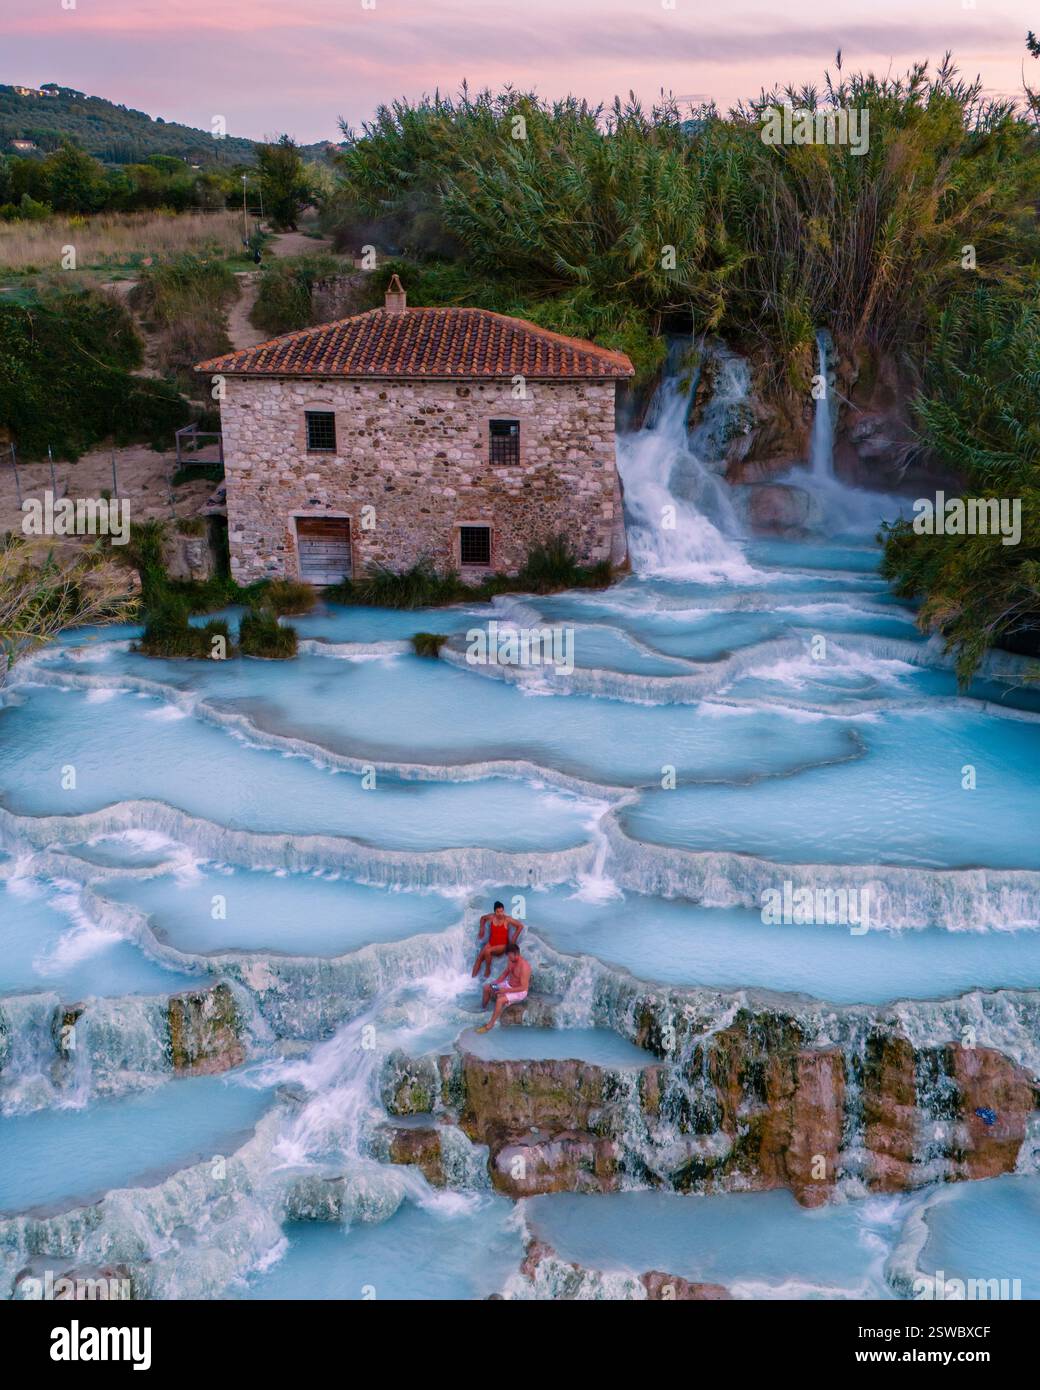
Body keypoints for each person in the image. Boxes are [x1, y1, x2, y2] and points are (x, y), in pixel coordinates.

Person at [476, 943, 532, 1032]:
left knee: (500, 1000)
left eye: (510, 957)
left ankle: (490, 1024)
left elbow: (524, 987)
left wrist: (505, 990)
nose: (508, 959)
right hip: (507, 985)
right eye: (508, 957)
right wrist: (494, 983)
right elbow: (504, 974)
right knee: (486, 988)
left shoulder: (524, 967)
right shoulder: (511, 960)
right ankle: (483, 1009)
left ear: (516, 953)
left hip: (519, 992)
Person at [471, 900, 525, 979]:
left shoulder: (507, 919)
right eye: (498, 912)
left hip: (502, 945)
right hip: (491, 943)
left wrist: (514, 939)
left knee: (487, 951)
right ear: (494, 912)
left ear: (503, 911)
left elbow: (520, 926)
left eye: (501, 911)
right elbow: (482, 918)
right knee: (479, 958)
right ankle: (472, 978)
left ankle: (487, 969)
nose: (500, 914)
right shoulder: (492, 917)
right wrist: (481, 929)